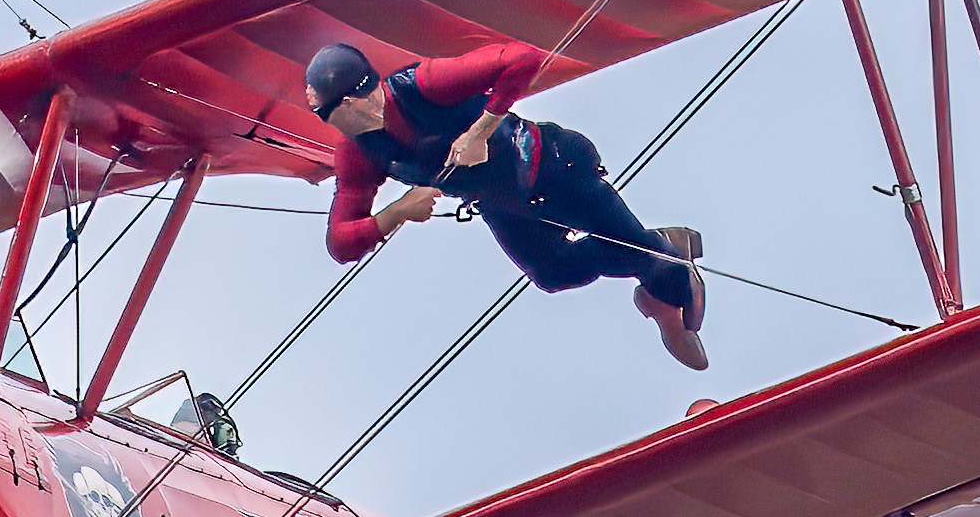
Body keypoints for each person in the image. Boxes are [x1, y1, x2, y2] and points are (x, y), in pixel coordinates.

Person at [303, 41, 710, 370]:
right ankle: (654, 251)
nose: (327, 123)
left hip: (552, 166)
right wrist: (396, 212)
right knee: (552, 272)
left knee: (653, 262)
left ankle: (664, 288)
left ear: (352, 102)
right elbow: (340, 243)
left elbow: (521, 58)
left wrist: (481, 130)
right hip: (504, 205)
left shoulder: (424, 84)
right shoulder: (358, 153)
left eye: (325, 113)